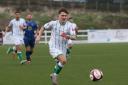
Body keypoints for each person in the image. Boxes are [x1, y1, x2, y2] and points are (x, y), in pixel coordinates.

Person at [36, 8, 76, 85]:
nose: (64, 17)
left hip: (63, 47)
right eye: (62, 15)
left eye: (65, 16)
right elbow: (43, 27)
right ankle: (54, 76)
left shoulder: (70, 25)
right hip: (53, 46)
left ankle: (53, 74)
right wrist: (39, 36)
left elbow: (74, 37)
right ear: (58, 16)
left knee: (62, 62)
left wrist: (67, 36)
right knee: (63, 60)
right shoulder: (53, 23)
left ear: (67, 17)